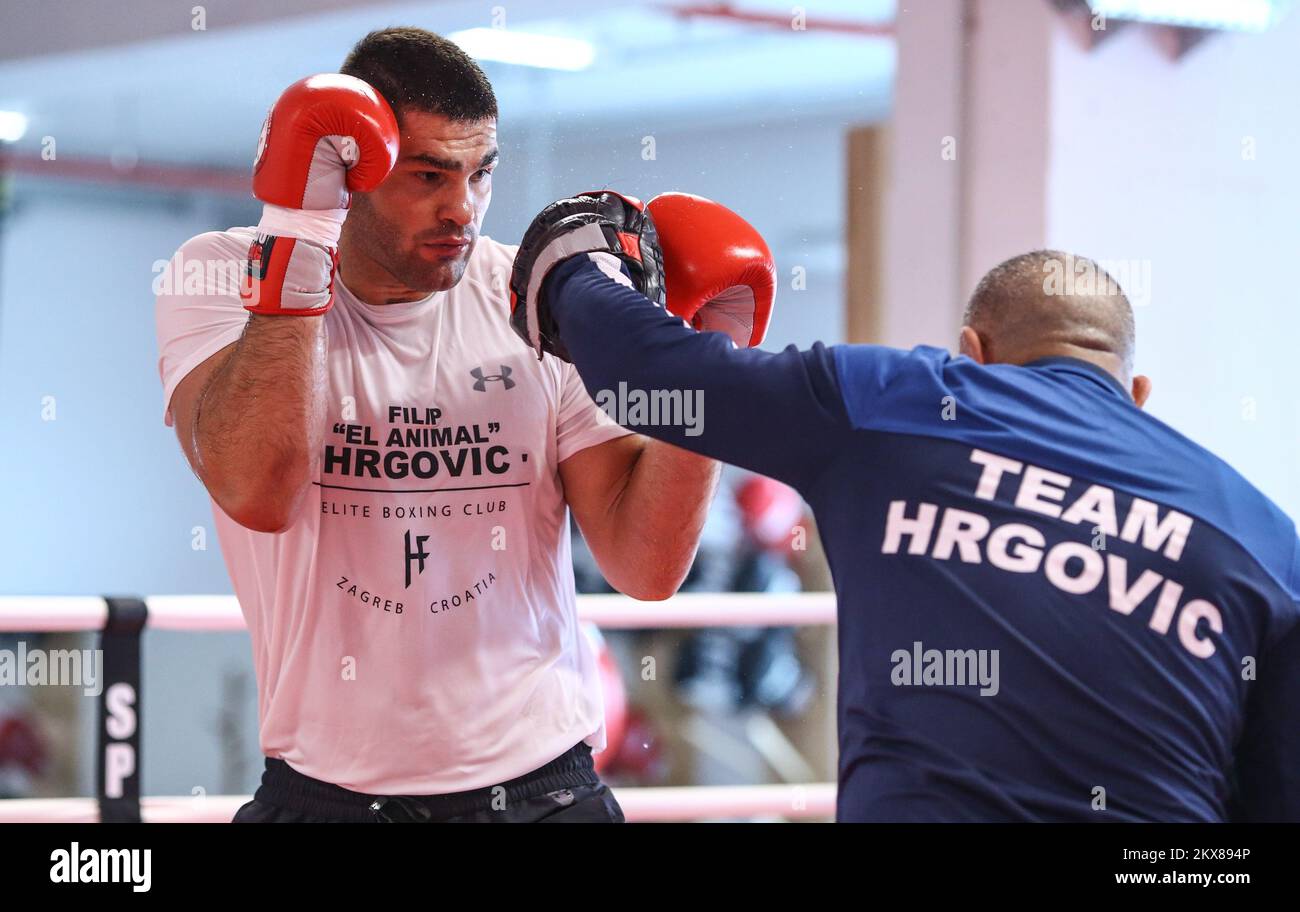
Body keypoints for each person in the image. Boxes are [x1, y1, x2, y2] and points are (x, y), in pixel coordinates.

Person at [513, 196, 1300, 822]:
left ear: (973, 353)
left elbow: (647, 377)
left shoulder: (903, 402)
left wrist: (576, 254)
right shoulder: (1264, 538)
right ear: (1137, 396)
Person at [153, 28, 735, 823]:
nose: (461, 208)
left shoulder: (534, 300)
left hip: (542, 788)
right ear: (346, 172)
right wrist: (300, 228)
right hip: (326, 793)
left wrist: (703, 371)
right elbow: (257, 489)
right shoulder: (221, 276)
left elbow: (647, 568)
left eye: (480, 172)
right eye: (428, 175)